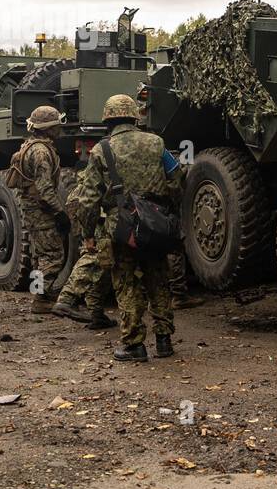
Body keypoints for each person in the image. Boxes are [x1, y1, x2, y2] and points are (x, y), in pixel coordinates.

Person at [76, 94, 182, 361]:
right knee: (158, 279)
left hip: (122, 229)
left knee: (126, 284)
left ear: (107, 120)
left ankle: (134, 345)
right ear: (136, 117)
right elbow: (176, 177)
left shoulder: (102, 150)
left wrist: (88, 234)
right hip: (155, 225)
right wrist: (163, 206)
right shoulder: (157, 143)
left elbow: (88, 198)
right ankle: (164, 341)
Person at [9, 105, 69, 313]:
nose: (60, 128)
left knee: (39, 255)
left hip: (31, 208)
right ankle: (42, 299)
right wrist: (59, 212)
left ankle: (39, 295)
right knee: (53, 255)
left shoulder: (29, 146)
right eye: (56, 125)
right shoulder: (42, 151)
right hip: (41, 210)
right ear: (49, 128)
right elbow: (44, 188)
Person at [52, 164, 115, 329]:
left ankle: (95, 313)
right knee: (96, 253)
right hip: (90, 204)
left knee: (106, 262)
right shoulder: (111, 150)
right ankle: (66, 299)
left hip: (90, 202)